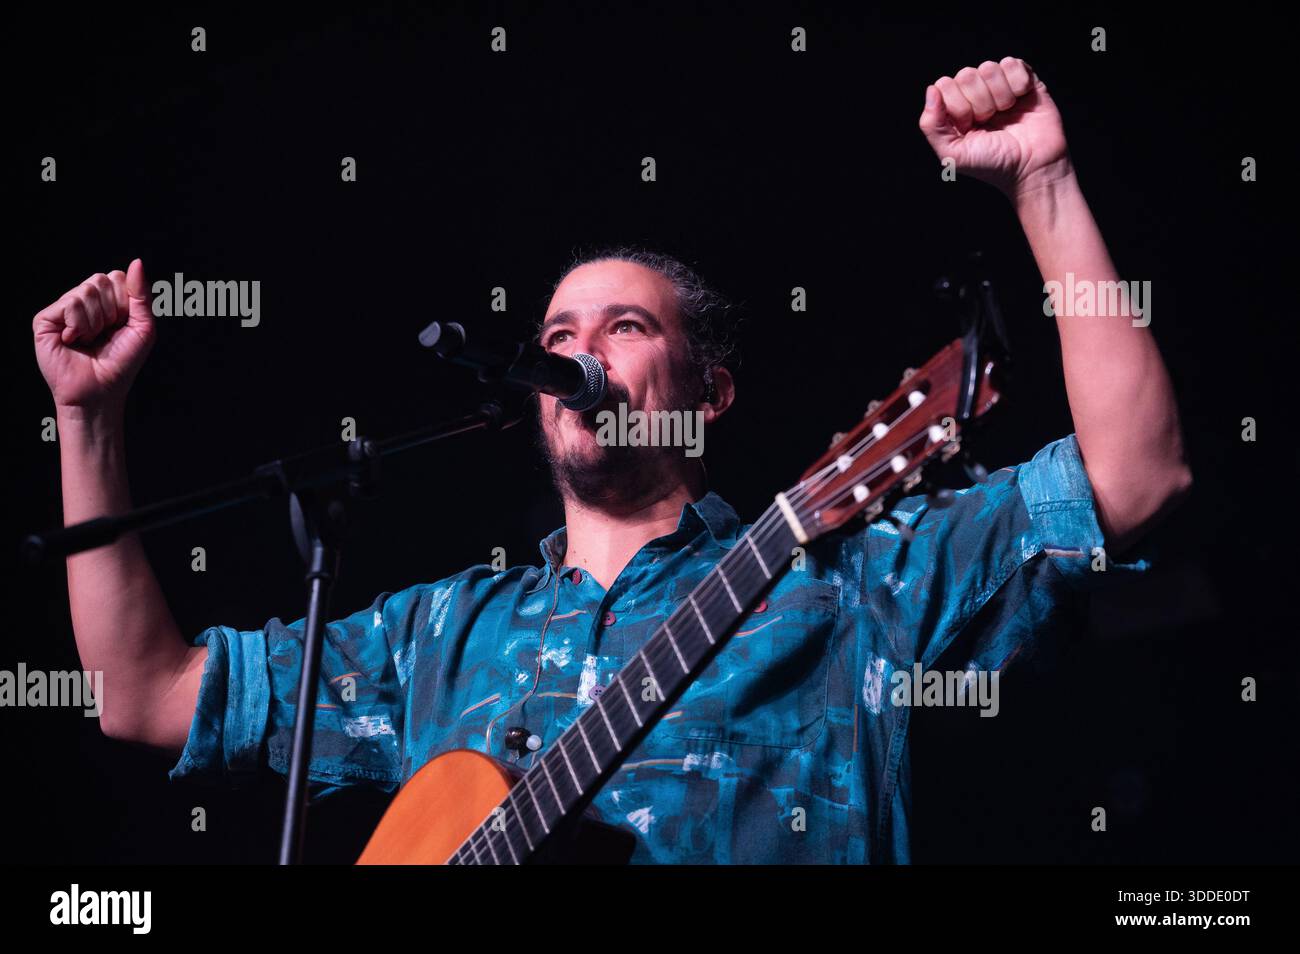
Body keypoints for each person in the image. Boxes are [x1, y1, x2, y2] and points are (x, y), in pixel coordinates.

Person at [31, 58, 1191, 863]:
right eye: (556, 340)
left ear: (709, 394)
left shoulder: (846, 581)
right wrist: (89, 423)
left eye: (626, 329)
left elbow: (1131, 477)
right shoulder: (442, 635)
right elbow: (143, 695)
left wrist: (1041, 185)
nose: (579, 354)